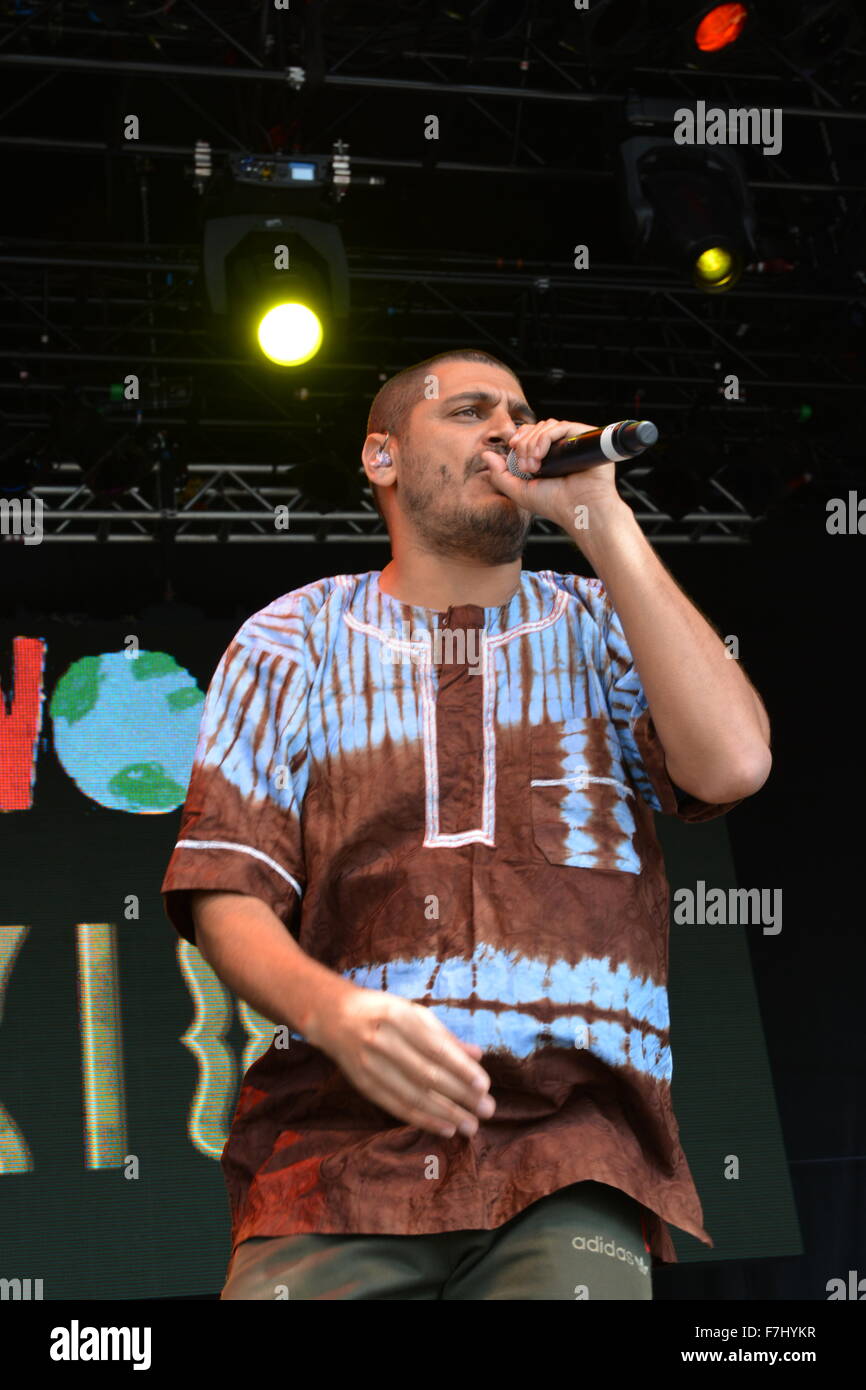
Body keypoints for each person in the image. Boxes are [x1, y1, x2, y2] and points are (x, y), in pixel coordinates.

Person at [161, 348, 772, 1300]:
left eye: (520, 412)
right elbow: (224, 891)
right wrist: (334, 1010)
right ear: (382, 457)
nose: (506, 429)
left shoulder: (601, 620)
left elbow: (733, 763)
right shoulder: (293, 634)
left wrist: (600, 518)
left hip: (572, 1149)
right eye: (469, 411)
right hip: (335, 1158)